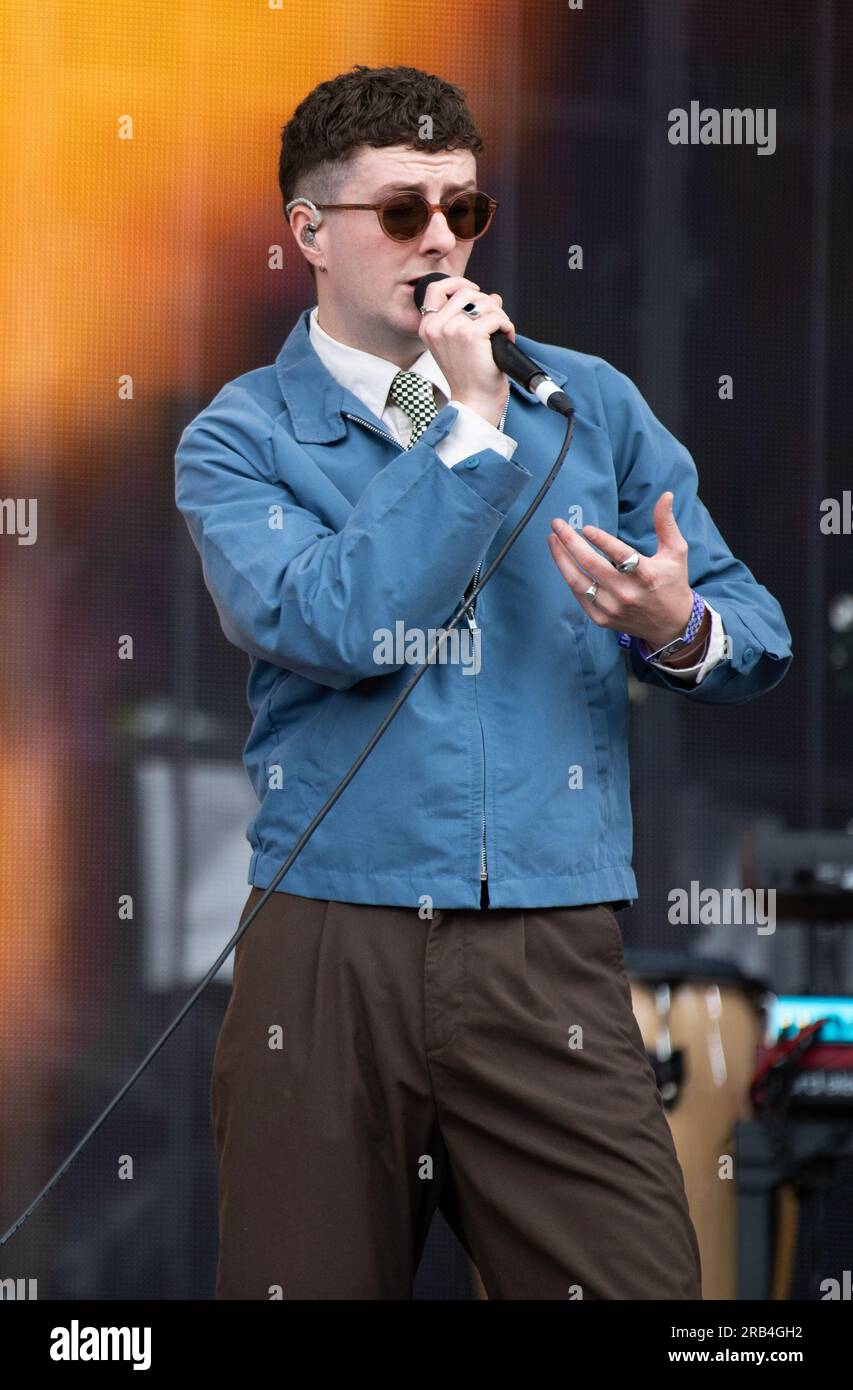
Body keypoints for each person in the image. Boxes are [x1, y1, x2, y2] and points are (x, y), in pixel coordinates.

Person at [174, 64, 792, 1300]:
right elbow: (324, 617)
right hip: (329, 943)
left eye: (465, 210)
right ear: (309, 232)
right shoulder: (239, 438)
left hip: (546, 939)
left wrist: (677, 628)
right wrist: (465, 426)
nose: (442, 239)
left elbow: (754, 627)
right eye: (403, 212)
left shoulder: (590, 404)